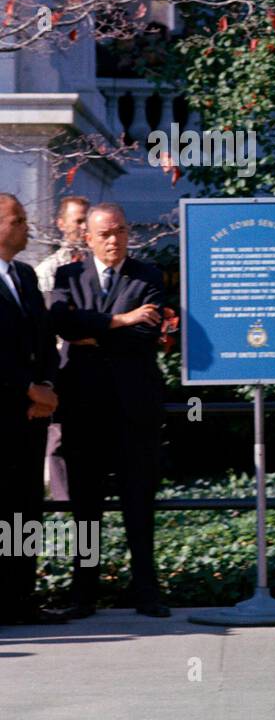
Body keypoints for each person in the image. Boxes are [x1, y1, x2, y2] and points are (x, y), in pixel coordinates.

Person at [49, 203, 170, 618]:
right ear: (87, 238)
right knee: (85, 506)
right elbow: (64, 325)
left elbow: (146, 334)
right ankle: (83, 594)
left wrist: (95, 331)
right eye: (104, 233)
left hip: (134, 409)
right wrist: (121, 320)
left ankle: (146, 591)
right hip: (83, 409)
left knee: (139, 501)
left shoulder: (148, 276)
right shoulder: (68, 276)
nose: (113, 240)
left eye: (119, 231)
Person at [0, 194, 65, 626]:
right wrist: (26, 389)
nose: (27, 227)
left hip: (31, 418)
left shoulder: (24, 275)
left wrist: (46, 388)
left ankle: (21, 598)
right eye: (18, 220)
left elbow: (43, 340)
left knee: (25, 510)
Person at [36, 194, 89, 502]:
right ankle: (63, 505)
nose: (83, 227)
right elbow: (48, 327)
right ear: (61, 224)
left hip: (94, 366)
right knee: (58, 440)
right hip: (62, 367)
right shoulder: (48, 271)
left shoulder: (100, 262)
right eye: (77, 220)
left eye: (87, 219)